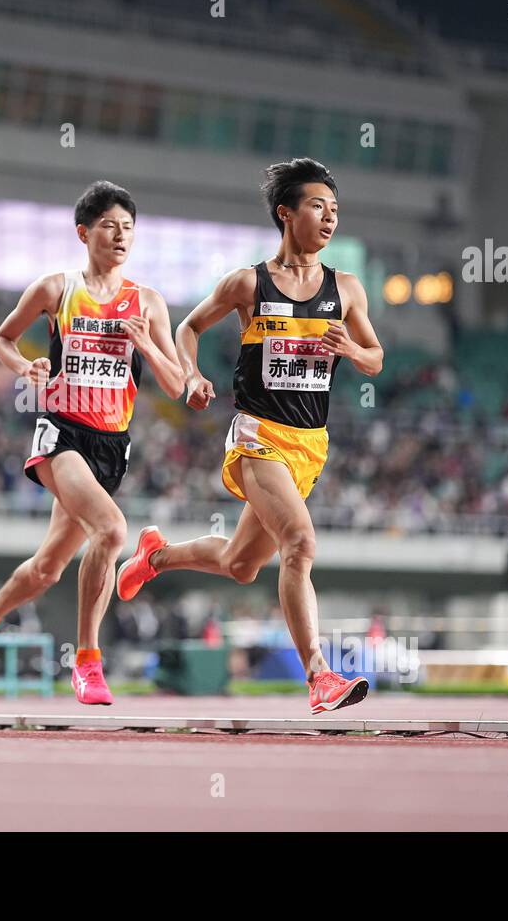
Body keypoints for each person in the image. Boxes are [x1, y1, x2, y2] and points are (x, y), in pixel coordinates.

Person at [116, 158, 384, 715]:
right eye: (318, 207)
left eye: (336, 210)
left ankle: (155, 555)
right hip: (258, 438)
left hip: (310, 445)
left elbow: (376, 358)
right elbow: (188, 328)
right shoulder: (248, 283)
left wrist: (352, 352)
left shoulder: (347, 290)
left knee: (241, 565)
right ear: (286, 214)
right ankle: (319, 676)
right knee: (301, 544)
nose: (330, 218)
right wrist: (189, 373)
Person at [0, 181, 185, 704]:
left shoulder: (147, 302)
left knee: (46, 569)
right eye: (109, 225)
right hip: (61, 435)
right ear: (84, 233)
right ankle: (86, 660)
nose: (120, 235)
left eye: (128, 227)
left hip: (112, 446)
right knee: (111, 532)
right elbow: (2, 338)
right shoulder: (55, 290)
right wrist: (25, 368)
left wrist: (144, 340)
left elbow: (176, 386)